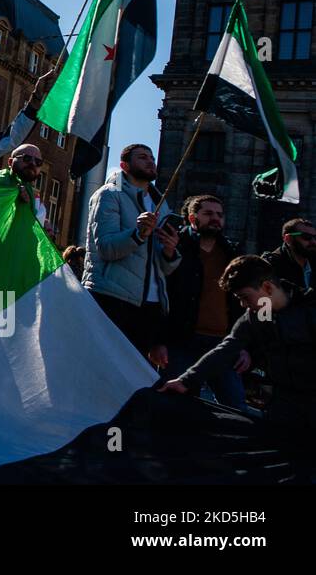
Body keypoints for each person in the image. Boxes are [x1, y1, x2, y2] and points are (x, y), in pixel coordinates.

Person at [162, 256, 316, 455]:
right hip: (284, 406)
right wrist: (185, 381)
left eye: (245, 297)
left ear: (267, 288)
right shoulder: (260, 314)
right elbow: (227, 348)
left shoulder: (310, 310)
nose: (243, 305)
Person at [83, 143, 180, 368]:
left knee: (136, 377)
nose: (150, 161)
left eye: (152, 157)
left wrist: (169, 251)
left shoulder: (161, 205)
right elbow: (106, 248)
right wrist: (138, 234)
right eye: (142, 157)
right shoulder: (108, 195)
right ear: (124, 166)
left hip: (150, 306)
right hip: (113, 297)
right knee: (105, 371)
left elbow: (163, 267)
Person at [164, 195, 245, 408]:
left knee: (236, 407)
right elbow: (161, 295)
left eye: (219, 214)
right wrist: (158, 342)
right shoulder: (176, 246)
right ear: (193, 218)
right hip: (182, 340)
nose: (215, 219)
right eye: (208, 214)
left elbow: (241, 304)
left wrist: (244, 346)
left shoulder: (231, 252)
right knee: (177, 408)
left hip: (222, 343)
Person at [0, 143, 51, 231]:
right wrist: (11, 199)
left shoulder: (35, 200)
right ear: (10, 162)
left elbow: (32, 232)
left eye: (38, 162)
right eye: (27, 158)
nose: (33, 163)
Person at [263, 218, 316, 291]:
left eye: (315, 237)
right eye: (306, 237)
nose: (313, 242)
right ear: (288, 238)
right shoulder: (271, 265)